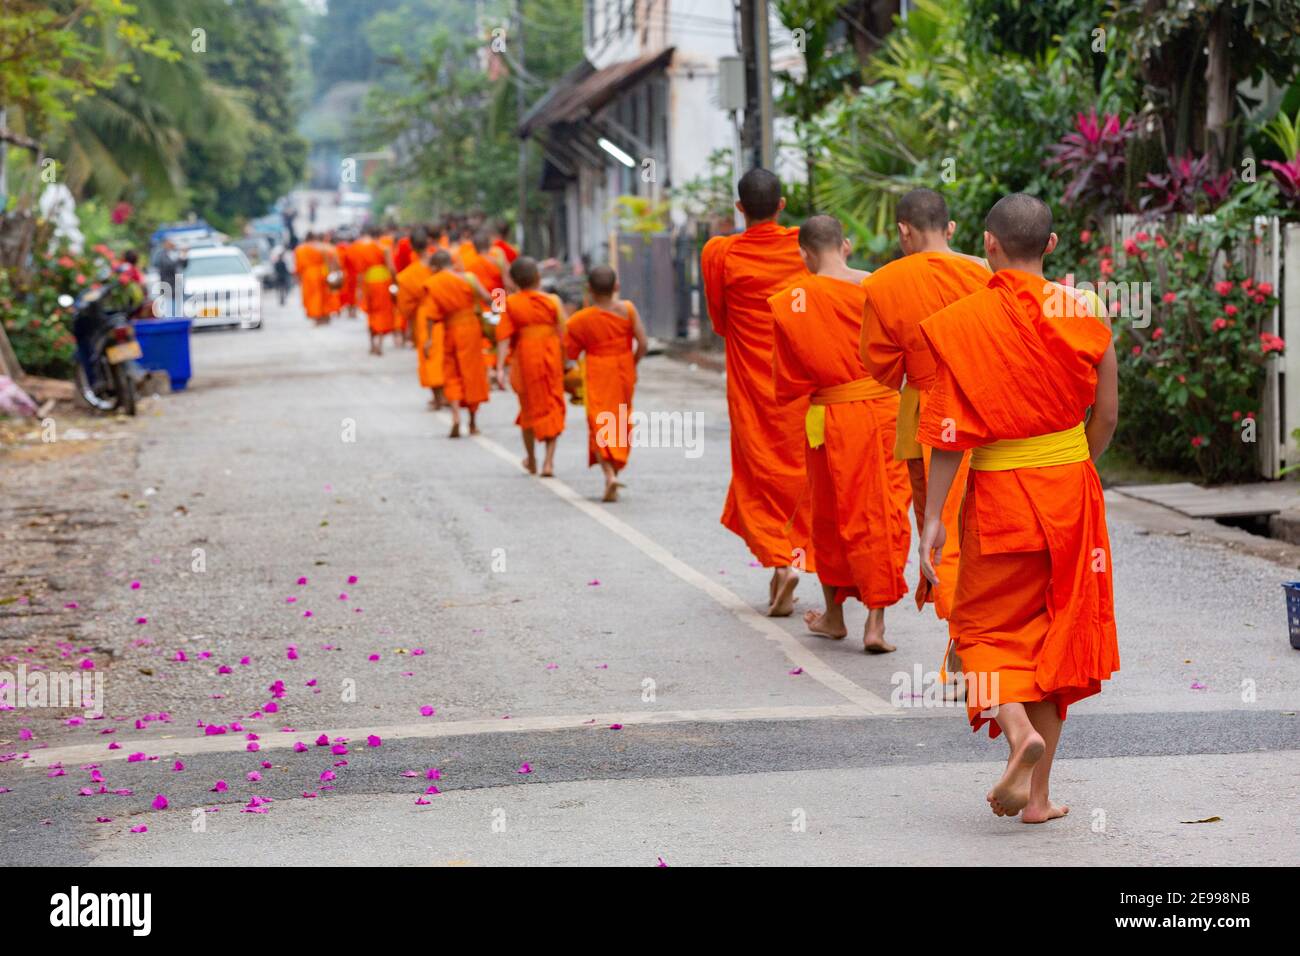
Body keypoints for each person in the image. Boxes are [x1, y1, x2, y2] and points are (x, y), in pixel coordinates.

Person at [917, 193, 1119, 822]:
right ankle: (1038, 800)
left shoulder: (966, 319)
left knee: (977, 627)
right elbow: (1107, 414)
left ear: (989, 245)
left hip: (1002, 493)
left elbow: (951, 432)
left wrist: (931, 517)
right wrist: (1074, 459)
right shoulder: (1083, 307)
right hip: (1070, 491)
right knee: (1055, 632)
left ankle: (1015, 731)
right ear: (1052, 247)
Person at [770, 215, 912, 653]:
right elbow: (903, 349)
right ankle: (876, 623)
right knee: (882, 512)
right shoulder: (876, 287)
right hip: (886, 410)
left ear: (804, 254)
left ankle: (834, 617)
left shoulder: (793, 298)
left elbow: (789, 377)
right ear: (846, 245)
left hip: (829, 418)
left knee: (829, 516)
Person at [859, 188, 990, 621]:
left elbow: (877, 363)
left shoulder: (883, 282)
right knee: (977, 522)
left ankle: (961, 641)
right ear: (950, 228)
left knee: (938, 524)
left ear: (903, 230)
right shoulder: (984, 272)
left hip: (927, 415)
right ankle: (970, 639)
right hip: (983, 409)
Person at [701, 167, 813, 616]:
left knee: (758, 471)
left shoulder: (720, 253)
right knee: (802, 470)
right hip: (801, 375)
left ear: (740, 208)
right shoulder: (803, 244)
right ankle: (791, 557)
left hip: (752, 378)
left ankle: (780, 561)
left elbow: (718, 318)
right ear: (782, 206)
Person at [563, 265, 647, 502]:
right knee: (620, 422)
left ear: (588, 289)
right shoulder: (628, 310)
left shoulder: (580, 320)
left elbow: (569, 352)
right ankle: (614, 474)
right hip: (623, 370)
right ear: (616, 287)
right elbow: (643, 343)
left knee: (599, 425)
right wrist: (633, 363)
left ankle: (609, 475)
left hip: (597, 371)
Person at [496, 256, 567, 477]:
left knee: (527, 409)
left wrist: (499, 368)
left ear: (514, 281)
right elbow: (564, 334)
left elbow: (503, 337)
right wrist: (566, 362)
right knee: (552, 406)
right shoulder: (553, 300)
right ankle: (548, 462)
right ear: (538, 277)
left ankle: (532, 460)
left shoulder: (510, 302)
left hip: (524, 359)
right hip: (550, 356)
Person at [422, 250, 493, 437]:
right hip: (470, 329)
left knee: (452, 373)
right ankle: (472, 422)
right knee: (471, 374)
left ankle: (455, 416)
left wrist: (429, 339)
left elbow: (430, 315)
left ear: (436, 268)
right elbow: (488, 297)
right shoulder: (469, 278)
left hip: (450, 330)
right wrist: (500, 310)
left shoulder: (434, 283)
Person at [396, 230, 443, 409]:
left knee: (428, 353)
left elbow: (405, 305)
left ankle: (438, 396)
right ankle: (447, 394)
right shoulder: (441, 264)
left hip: (424, 316)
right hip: (444, 312)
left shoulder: (410, 274)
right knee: (442, 353)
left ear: (412, 248)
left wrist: (407, 321)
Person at [352, 226, 396, 354]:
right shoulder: (384, 248)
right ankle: (380, 344)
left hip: (368, 281)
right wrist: (395, 281)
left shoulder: (363, 249)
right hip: (382, 281)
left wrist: (359, 289)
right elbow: (391, 268)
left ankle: (371, 344)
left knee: (371, 313)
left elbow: (360, 271)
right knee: (382, 311)